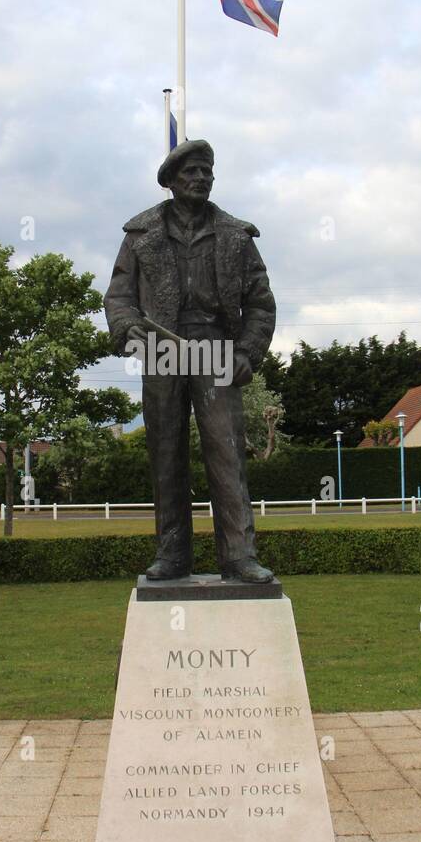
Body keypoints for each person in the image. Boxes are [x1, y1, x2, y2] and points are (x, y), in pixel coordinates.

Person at [105, 138, 276, 583]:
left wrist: (247, 353)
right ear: (171, 182)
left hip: (217, 344)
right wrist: (126, 328)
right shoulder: (140, 235)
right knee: (166, 452)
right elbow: (119, 297)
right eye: (191, 172)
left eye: (207, 171)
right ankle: (173, 553)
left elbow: (260, 302)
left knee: (227, 451)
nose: (200, 178)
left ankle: (239, 555)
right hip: (161, 345)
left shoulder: (236, 235)